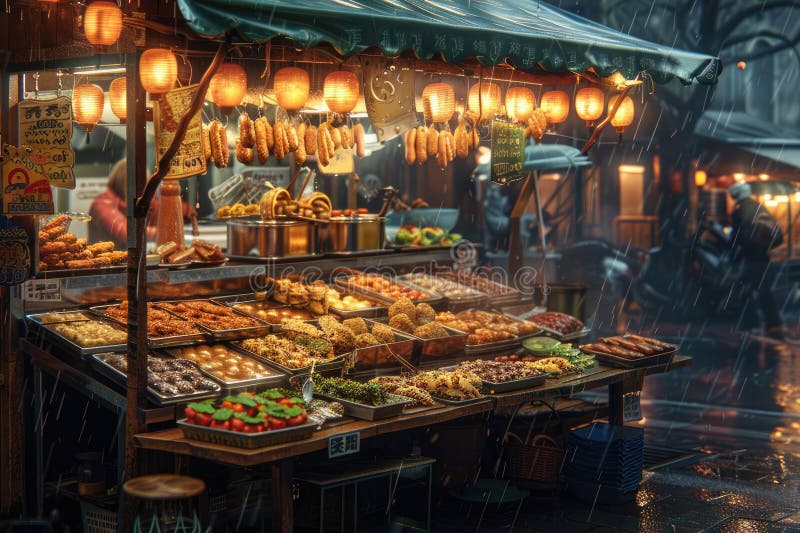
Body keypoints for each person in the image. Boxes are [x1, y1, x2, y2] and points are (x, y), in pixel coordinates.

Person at [89, 159, 196, 249]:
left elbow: (172, 211)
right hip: (107, 264)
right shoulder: (101, 204)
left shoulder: (139, 199)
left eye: (145, 184)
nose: (143, 189)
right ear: (124, 182)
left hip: (134, 260)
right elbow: (129, 233)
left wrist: (185, 211)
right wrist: (166, 232)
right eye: (140, 183)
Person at [728, 181, 784, 337]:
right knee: (763, 290)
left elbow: (736, 237)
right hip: (762, 256)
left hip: (750, 257)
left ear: (736, 195)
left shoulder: (740, 210)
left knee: (745, 291)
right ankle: (774, 323)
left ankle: (751, 324)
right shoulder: (757, 206)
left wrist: (732, 254)